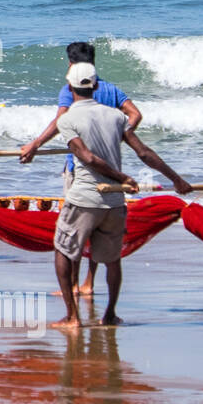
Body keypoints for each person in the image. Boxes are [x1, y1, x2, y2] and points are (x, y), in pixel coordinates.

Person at [52, 63, 192, 329]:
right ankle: (111, 314)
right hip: (114, 202)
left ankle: (72, 317)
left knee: (63, 249)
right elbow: (144, 152)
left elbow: (87, 157)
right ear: (94, 86)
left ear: (70, 87)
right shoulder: (116, 117)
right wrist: (176, 178)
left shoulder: (67, 120)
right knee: (112, 258)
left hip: (84, 199)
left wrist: (122, 178)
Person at [20, 41, 142, 295]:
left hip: (80, 170)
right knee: (101, 234)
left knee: (74, 234)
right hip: (110, 169)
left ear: (71, 65)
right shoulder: (108, 88)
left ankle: (73, 286)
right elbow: (135, 115)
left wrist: (35, 144)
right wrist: (118, 135)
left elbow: (60, 120)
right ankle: (89, 283)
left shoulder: (70, 90)